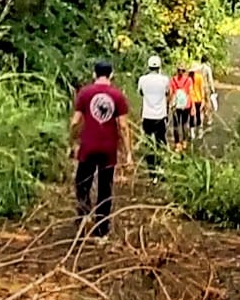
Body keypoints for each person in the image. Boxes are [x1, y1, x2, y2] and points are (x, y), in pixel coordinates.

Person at [70, 60, 132, 240]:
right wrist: (127, 152)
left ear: (94, 74)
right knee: (105, 188)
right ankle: (101, 231)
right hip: (108, 148)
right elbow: (123, 126)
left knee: (82, 184)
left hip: (88, 146)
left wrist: (72, 142)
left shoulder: (85, 93)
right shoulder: (117, 96)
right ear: (111, 74)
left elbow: (75, 122)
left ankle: (83, 218)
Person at [137, 54, 170, 179]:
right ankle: (160, 168)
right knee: (161, 142)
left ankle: (151, 170)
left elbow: (140, 92)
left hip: (147, 115)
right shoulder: (164, 80)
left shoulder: (142, 79)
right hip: (160, 116)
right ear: (159, 67)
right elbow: (167, 92)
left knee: (149, 143)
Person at [168, 64, 192, 151]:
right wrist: (192, 106)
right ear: (184, 71)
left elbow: (171, 93)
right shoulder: (189, 80)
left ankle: (177, 143)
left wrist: (169, 103)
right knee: (184, 124)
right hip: (186, 105)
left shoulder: (172, 80)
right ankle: (185, 142)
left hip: (176, 105)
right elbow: (190, 93)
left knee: (176, 124)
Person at [188, 64, 206, 140]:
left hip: (190, 99)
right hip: (198, 99)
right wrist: (203, 99)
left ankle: (192, 133)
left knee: (191, 116)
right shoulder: (199, 77)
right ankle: (199, 131)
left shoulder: (188, 78)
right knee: (198, 115)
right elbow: (202, 89)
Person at [199, 56, 217, 127]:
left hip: (199, 88)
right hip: (206, 87)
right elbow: (210, 80)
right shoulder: (207, 68)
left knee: (200, 103)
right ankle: (209, 119)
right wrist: (213, 89)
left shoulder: (198, 68)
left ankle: (201, 120)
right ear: (207, 61)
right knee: (208, 103)